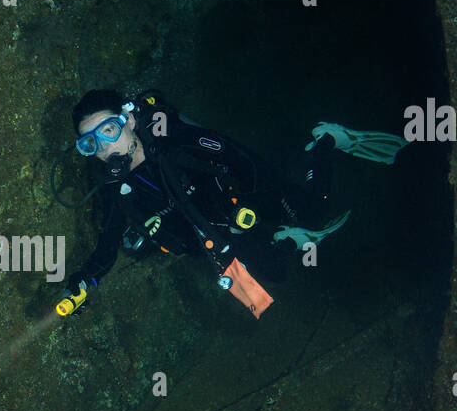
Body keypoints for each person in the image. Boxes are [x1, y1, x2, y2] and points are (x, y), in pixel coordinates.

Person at [54, 89, 409, 319]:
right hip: (218, 238)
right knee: (275, 278)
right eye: (90, 144)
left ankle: (325, 142)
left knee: (315, 210)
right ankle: (284, 239)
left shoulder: (172, 139)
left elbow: (235, 155)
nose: (104, 148)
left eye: (109, 131)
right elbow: (107, 243)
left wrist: (265, 196)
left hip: (242, 197)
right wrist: (85, 282)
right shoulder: (116, 187)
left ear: (129, 121)